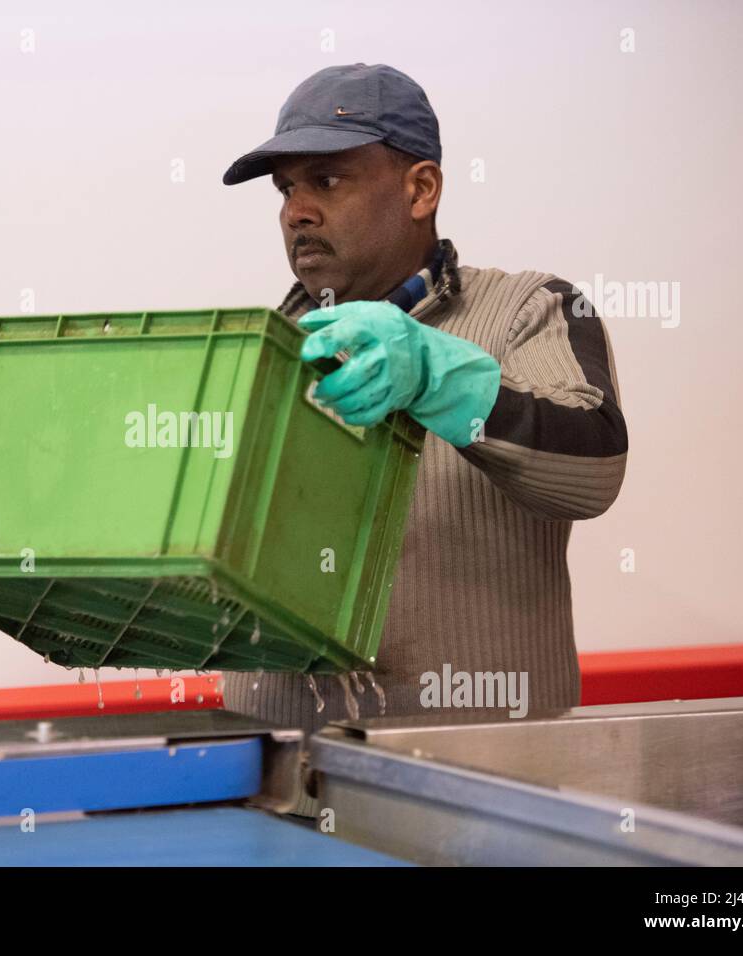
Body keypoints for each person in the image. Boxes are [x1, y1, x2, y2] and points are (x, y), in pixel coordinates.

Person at [219, 64, 629, 781]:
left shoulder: (533, 308)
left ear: (421, 189)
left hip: (485, 786)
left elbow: (594, 467)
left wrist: (440, 378)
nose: (297, 210)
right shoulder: (253, 351)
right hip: (280, 788)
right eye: (287, 189)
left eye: (328, 179)